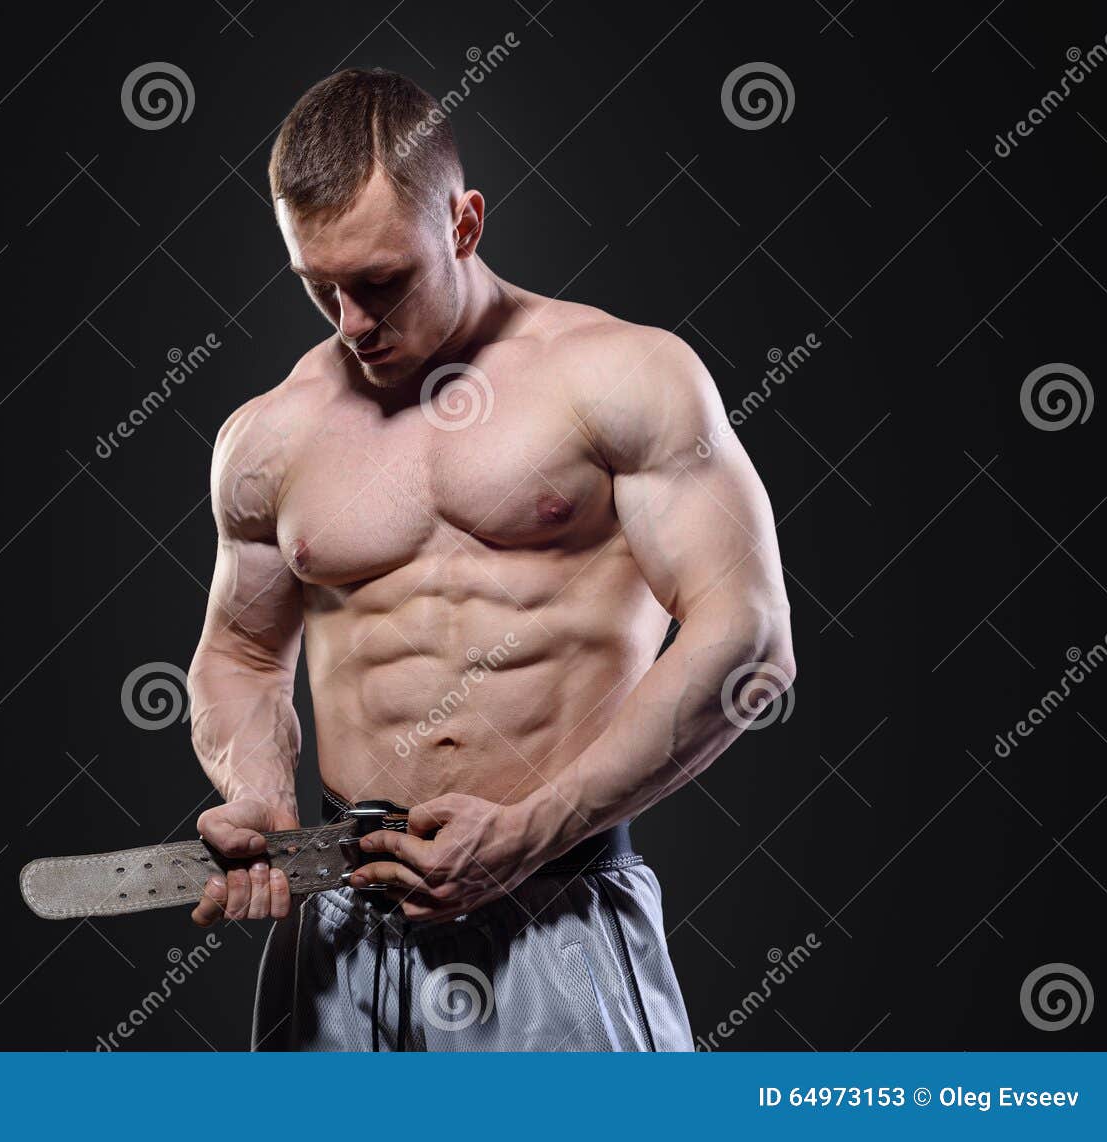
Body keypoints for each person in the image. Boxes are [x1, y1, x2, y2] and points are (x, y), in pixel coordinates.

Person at [185, 68, 795, 1051]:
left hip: (557, 903)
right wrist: (255, 789)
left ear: (464, 224)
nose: (350, 321)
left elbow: (749, 641)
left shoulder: (619, 376)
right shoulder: (268, 435)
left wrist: (533, 828)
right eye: (319, 287)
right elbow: (241, 656)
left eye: (380, 282)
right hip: (343, 930)